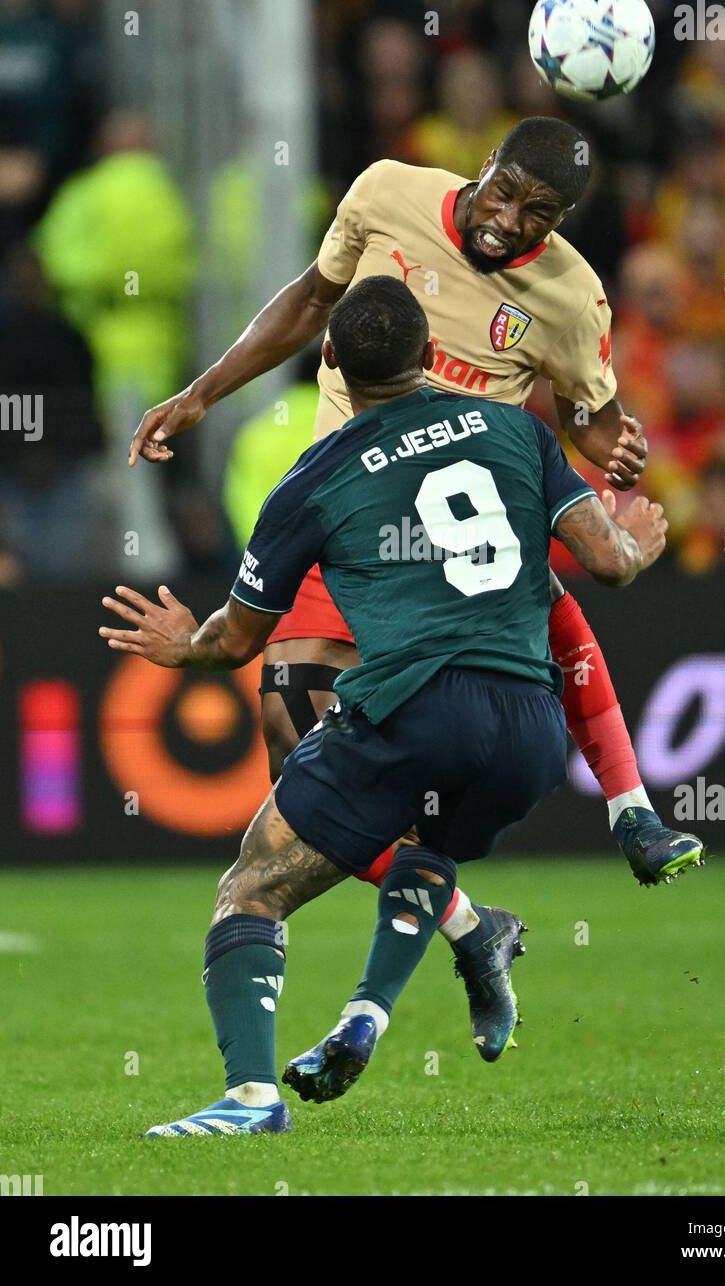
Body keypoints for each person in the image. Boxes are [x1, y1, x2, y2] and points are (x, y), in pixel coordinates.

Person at [128, 116, 705, 1056]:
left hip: (461, 530)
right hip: (354, 517)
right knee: (291, 734)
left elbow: (590, 420)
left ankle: (629, 810)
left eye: (538, 214)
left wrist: (614, 447)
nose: (508, 220)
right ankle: (475, 927)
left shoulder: (569, 296)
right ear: (484, 166)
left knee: (482, 699)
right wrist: (203, 391)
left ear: (558, 226)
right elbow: (309, 300)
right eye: (504, 192)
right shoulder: (387, 193)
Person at [100, 276, 672, 1136]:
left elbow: (235, 640)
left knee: (251, 888)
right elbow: (611, 563)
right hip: (529, 733)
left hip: (415, 707)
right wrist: (639, 542)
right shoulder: (518, 429)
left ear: (330, 358)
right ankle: (416, 974)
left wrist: (185, 643)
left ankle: (253, 1098)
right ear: (431, 356)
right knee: (424, 848)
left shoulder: (316, 473)